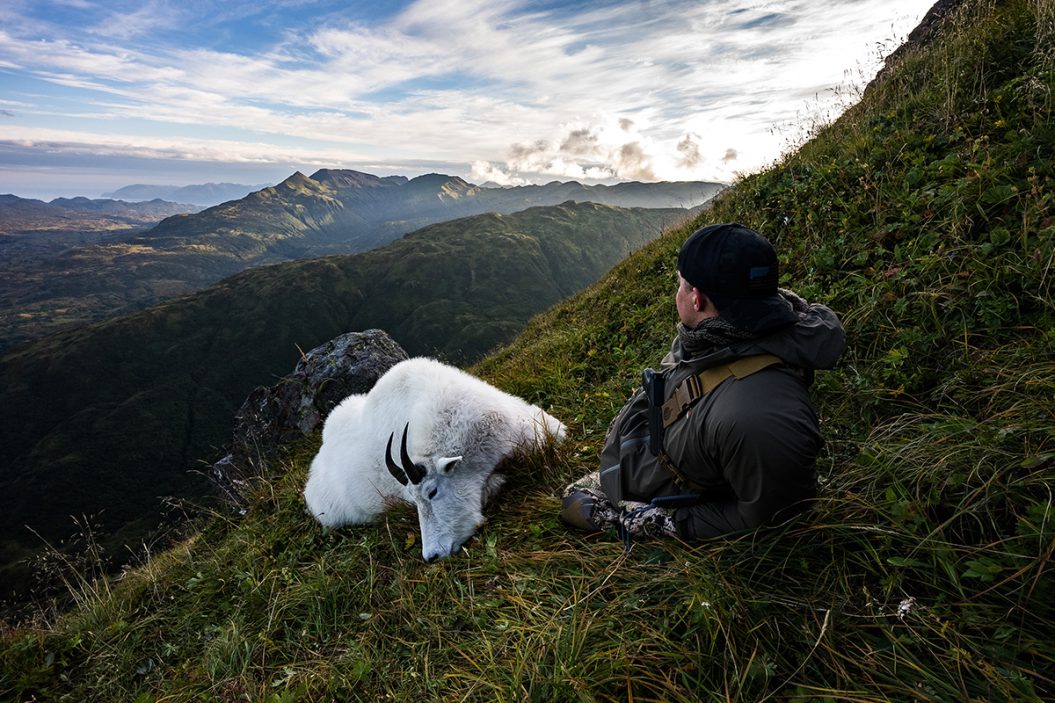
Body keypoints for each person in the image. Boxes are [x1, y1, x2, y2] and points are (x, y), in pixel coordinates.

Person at [560, 222, 846, 541]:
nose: (677, 294)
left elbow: (774, 521)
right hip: (659, 453)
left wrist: (666, 521)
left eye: (680, 285)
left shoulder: (758, 417)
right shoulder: (728, 332)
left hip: (668, 490)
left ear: (696, 299)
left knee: (575, 500)